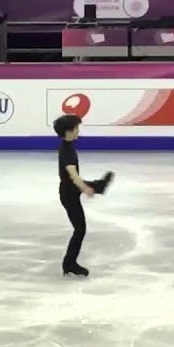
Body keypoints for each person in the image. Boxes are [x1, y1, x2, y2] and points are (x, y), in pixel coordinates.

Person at [54, 114, 115, 277]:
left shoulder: (67, 146)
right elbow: (73, 175)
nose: (78, 131)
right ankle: (69, 264)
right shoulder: (67, 151)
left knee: (90, 186)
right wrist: (85, 188)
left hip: (70, 189)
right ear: (68, 131)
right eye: (76, 128)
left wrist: (84, 186)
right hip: (69, 194)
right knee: (80, 229)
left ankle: (100, 185)